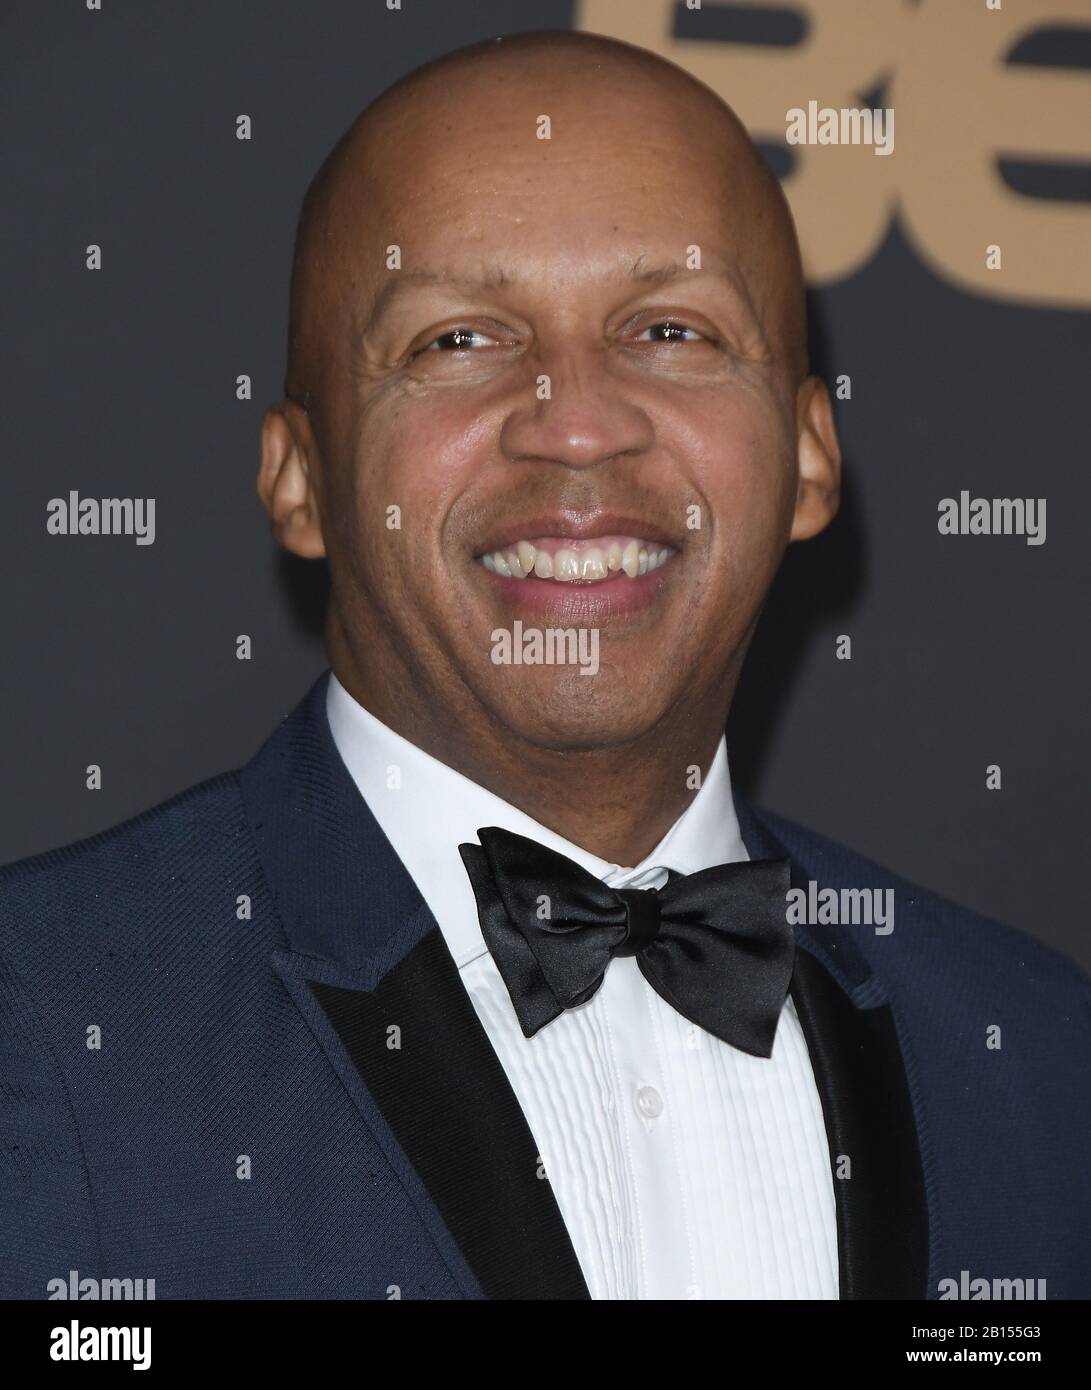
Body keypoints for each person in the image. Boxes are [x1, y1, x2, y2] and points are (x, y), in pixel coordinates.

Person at [2, 30, 1087, 1302]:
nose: (574, 422)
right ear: (298, 480)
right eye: (457, 340)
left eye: (669, 327)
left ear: (806, 457)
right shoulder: (42, 1021)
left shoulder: (1034, 1060)